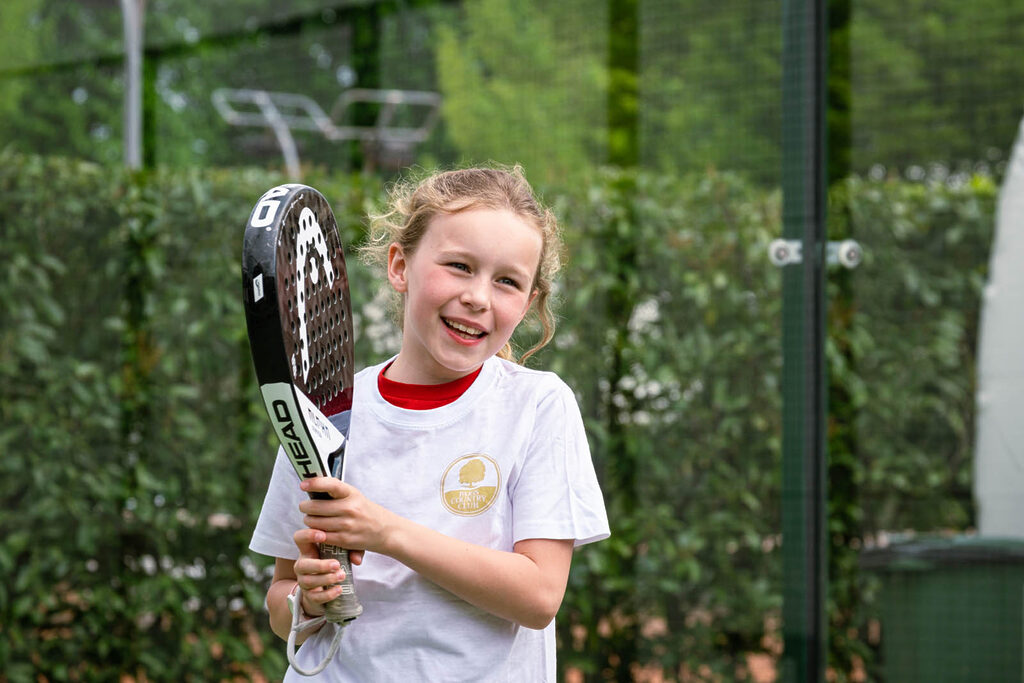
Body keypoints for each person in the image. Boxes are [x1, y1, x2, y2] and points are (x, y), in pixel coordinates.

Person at [249, 165, 609, 681]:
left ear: (528, 303)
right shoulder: (325, 408)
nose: (479, 297)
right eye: (459, 266)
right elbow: (280, 603)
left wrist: (385, 532)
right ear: (400, 265)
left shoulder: (538, 405)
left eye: (507, 281)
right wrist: (309, 599)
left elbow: (538, 596)